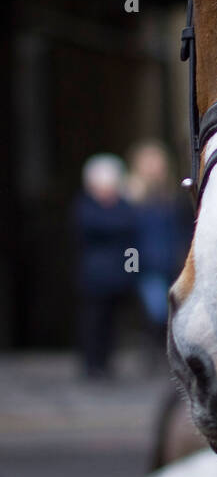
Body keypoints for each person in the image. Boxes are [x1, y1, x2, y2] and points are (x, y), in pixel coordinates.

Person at [72, 154, 138, 379]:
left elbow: (133, 242)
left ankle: (106, 361)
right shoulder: (86, 206)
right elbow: (96, 227)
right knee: (93, 321)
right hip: (95, 277)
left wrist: (133, 271)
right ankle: (92, 363)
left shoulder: (125, 206)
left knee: (112, 323)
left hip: (118, 276)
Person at [126, 140, 192, 357]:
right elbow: (127, 235)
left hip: (171, 261)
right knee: (157, 310)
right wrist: (131, 268)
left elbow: (182, 228)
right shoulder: (130, 197)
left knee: (173, 308)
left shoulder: (172, 196)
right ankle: (155, 349)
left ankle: (163, 352)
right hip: (146, 264)